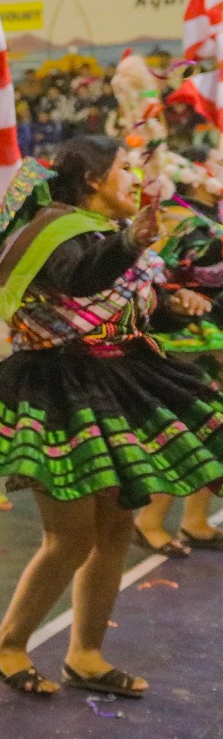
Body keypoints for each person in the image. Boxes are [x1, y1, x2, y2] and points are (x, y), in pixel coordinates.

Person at [0, 138, 223, 699]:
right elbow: (79, 278)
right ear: (93, 179)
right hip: (57, 392)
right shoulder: (50, 232)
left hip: (119, 381)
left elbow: (127, 316)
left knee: (117, 525)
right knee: (70, 536)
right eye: (123, 168)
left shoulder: (114, 242)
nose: (133, 178)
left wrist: (173, 308)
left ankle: (86, 654)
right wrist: (129, 240)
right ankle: (7, 642)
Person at [134, 146, 223, 555]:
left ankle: (195, 519)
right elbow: (162, 279)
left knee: (212, 427)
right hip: (191, 338)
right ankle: (149, 519)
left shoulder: (203, 215)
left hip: (207, 334)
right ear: (190, 172)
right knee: (185, 428)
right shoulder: (181, 219)